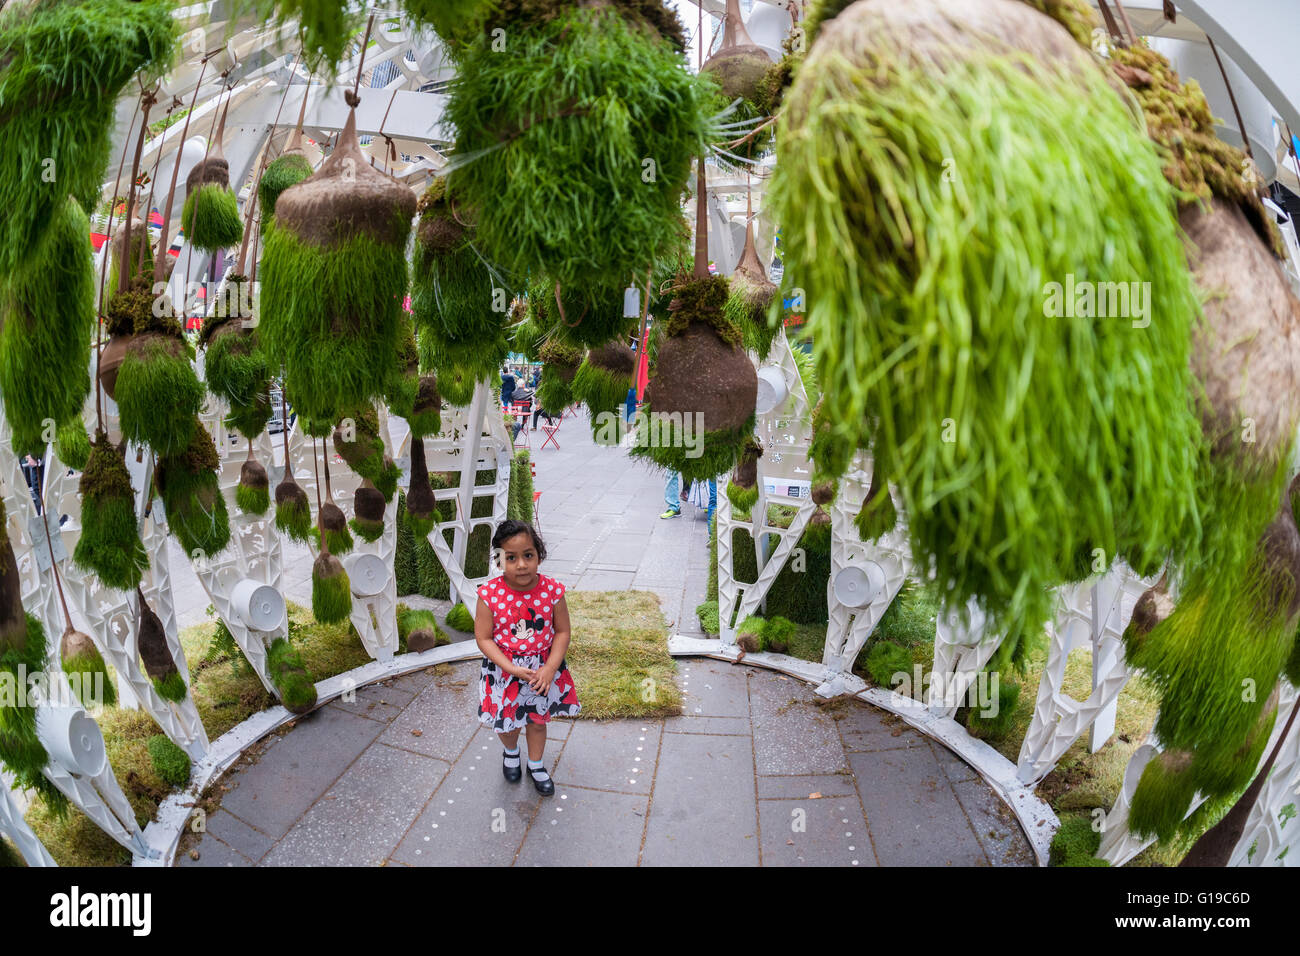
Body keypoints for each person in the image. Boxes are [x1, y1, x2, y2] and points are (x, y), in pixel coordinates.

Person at [475, 520, 580, 795]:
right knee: (506, 722)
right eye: (511, 557)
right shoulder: (489, 595)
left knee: (536, 720)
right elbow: (484, 638)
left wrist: (550, 668)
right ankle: (511, 752)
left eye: (528, 555)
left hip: (541, 671)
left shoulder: (552, 592)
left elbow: (563, 631)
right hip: (503, 671)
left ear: (539, 555)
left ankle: (535, 764)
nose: (521, 564)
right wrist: (509, 667)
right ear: (499, 560)